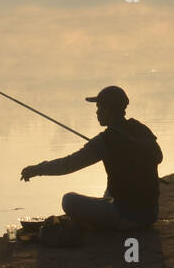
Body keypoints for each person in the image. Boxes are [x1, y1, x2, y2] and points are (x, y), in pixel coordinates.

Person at [21, 85, 162, 230]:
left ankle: (111, 221)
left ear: (108, 110)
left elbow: (69, 164)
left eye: (99, 107)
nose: (97, 112)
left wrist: (38, 169)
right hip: (150, 214)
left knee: (68, 200)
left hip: (127, 217)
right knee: (109, 191)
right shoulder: (140, 128)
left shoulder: (105, 140)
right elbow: (158, 157)